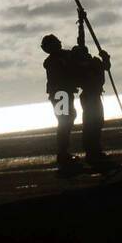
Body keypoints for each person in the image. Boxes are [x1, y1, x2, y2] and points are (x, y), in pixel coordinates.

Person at [41, 33, 82, 171]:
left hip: (62, 94)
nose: (59, 43)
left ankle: (63, 152)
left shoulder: (61, 57)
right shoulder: (53, 61)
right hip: (59, 94)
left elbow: (73, 57)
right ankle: (63, 153)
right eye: (56, 42)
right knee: (65, 121)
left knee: (67, 119)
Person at [75, 44, 112, 170]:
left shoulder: (94, 62)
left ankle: (95, 150)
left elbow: (106, 67)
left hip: (95, 95)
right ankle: (91, 152)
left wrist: (105, 58)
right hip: (88, 96)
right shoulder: (80, 66)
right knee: (91, 124)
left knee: (97, 122)